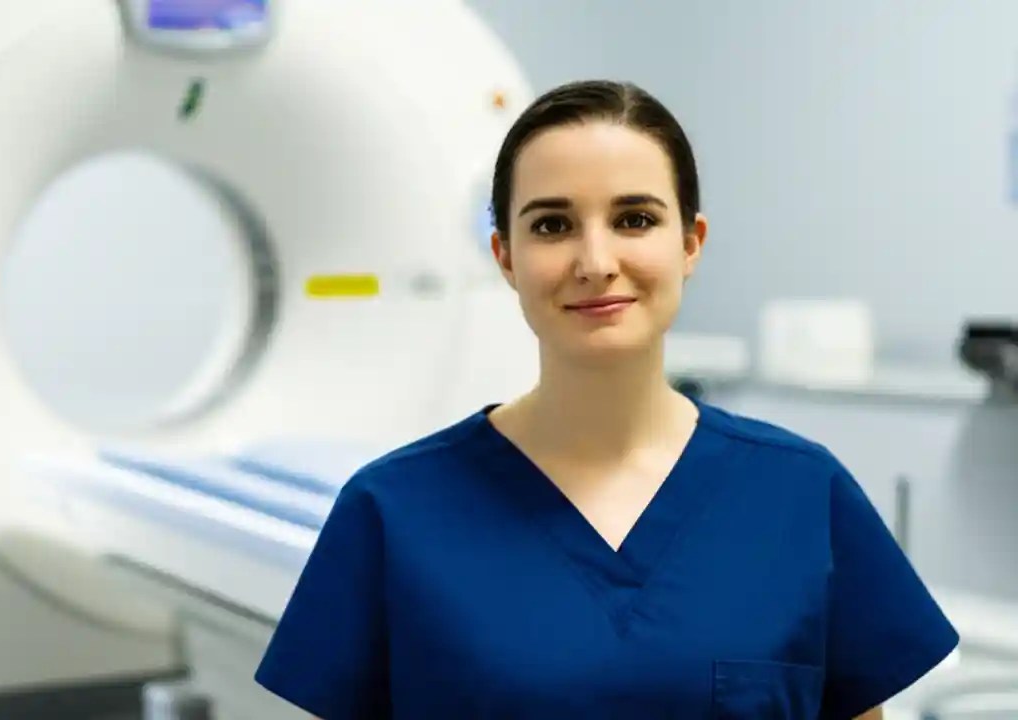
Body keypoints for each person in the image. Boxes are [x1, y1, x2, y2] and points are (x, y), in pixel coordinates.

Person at [253, 79, 959, 719]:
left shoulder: (803, 495)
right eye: (553, 225)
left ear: (691, 242)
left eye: (634, 219)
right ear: (504, 256)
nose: (596, 262)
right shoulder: (392, 512)